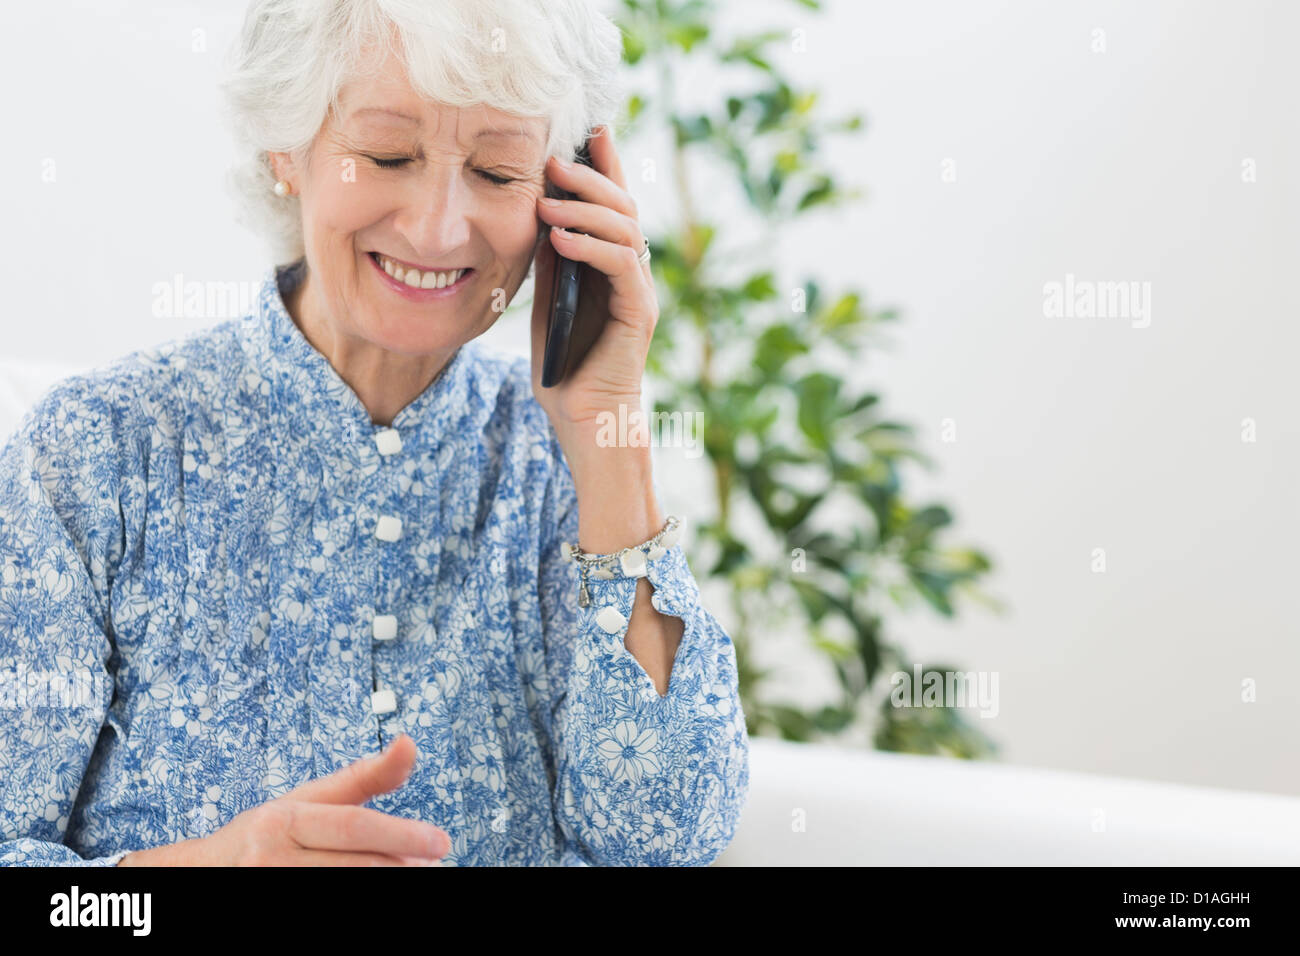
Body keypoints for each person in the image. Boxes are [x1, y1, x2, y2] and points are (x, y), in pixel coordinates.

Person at [0, 0, 749, 867]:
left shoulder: (567, 464)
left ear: (567, 194)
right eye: (387, 155)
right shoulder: (92, 457)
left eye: (500, 172)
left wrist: (606, 429)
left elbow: (668, 846)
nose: (436, 229)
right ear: (288, 148)